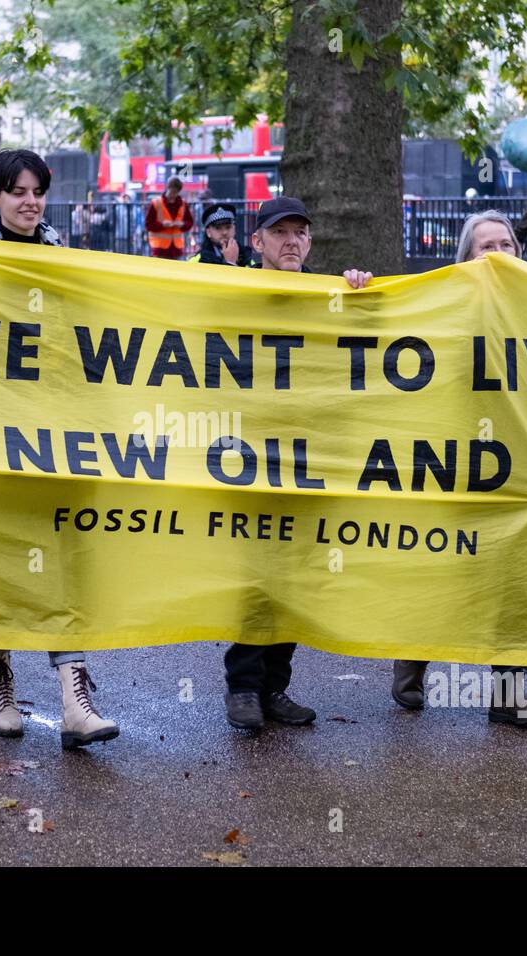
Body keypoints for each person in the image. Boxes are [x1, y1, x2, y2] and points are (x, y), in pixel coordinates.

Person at [390, 210, 527, 728]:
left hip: (521, 463)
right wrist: (356, 287)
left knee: (518, 578)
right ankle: (411, 665)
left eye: (506, 244)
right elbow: (379, 324)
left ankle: (508, 697)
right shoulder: (440, 304)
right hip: (452, 460)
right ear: (465, 259)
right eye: (485, 246)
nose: (498, 253)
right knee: (443, 566)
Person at [0, 149, 118, 748]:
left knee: (64, 556)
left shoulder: (68, 260)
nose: (29, 201)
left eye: (37, 191)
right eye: (16, 192)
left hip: (56, 434)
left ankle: (73, 701)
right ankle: (0, 675)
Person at [224, 195, 373, 731]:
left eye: (301, 233)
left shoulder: (332, 293)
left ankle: (273, 687)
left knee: (294, 574)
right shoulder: (233, 292)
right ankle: (242, 685)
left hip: (311, 456)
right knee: (256, 572)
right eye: (280, 232)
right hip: (247, 456)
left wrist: (359, 288)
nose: (292, 241)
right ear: (257, 241)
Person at [187, 202, 253, 266]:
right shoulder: (197, 261)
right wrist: (230, 263)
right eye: (218, 228)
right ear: (208, 232)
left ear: (234, 229)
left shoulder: (247, 258)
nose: (224, 232)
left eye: (228, 227)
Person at [145, 176, 193, 259]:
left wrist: (182, 225)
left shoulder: (183, 204)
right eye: (172, 192)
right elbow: (148, 224)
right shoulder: (156, 203)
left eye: (176, 192)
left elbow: (189, 222)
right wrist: (162, 225)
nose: (173, 195)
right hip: (159, 248)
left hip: (176, 249)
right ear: (167, 188)